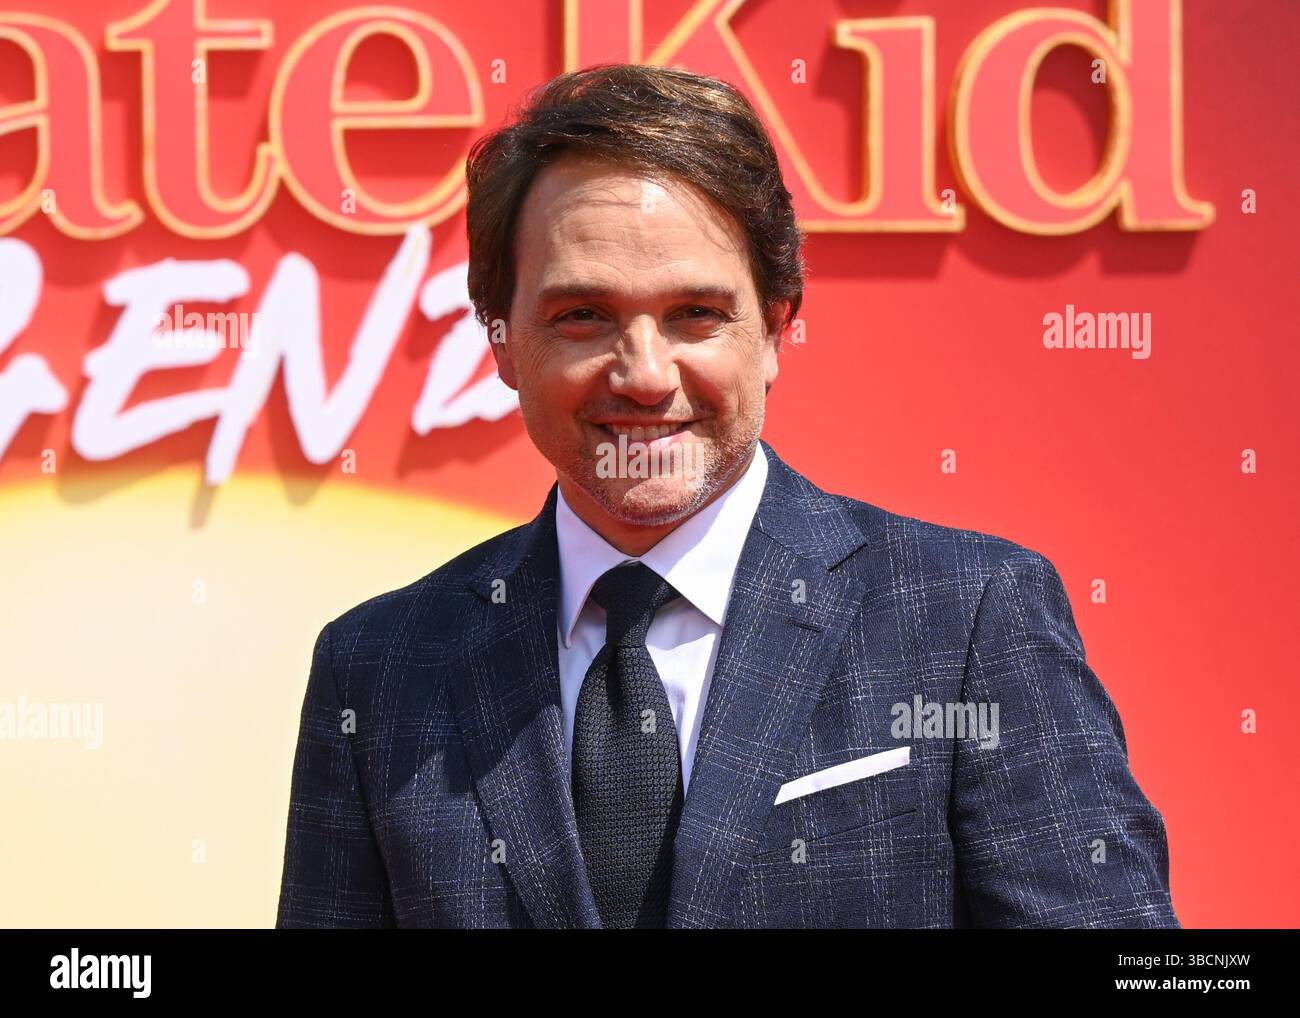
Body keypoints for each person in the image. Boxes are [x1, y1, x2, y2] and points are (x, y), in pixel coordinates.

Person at [275, 63, 1178, 929]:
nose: (643, 375)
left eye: (695, 315)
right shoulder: (381, 669)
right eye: (582, 315)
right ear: (503, 343)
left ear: (777, 327)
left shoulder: (964, 619)